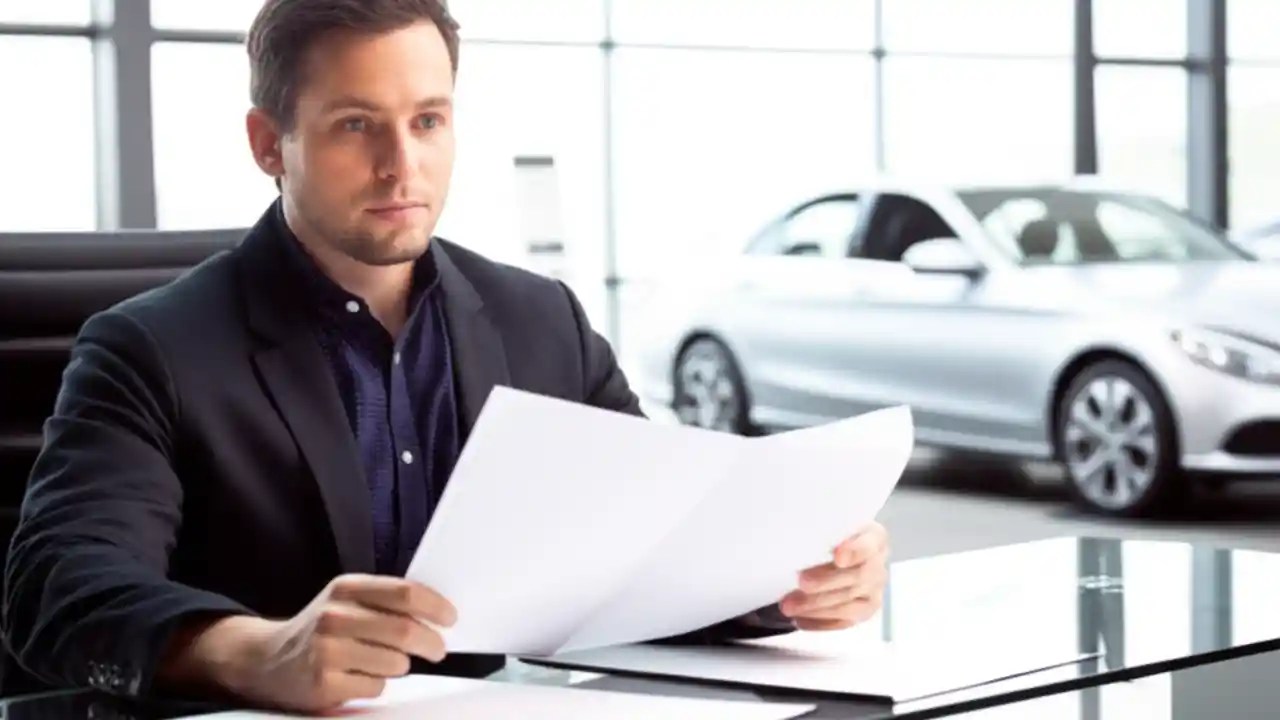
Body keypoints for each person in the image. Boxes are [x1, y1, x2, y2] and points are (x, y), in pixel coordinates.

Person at [1, 0, 890, 713]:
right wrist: (258, 651)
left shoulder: (541, 319)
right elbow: (56, 589)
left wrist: (787, 582)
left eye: (427, 120)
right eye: (356, 125)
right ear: (269, 144)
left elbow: (650, 545)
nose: (402, 166)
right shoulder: (149, 348)